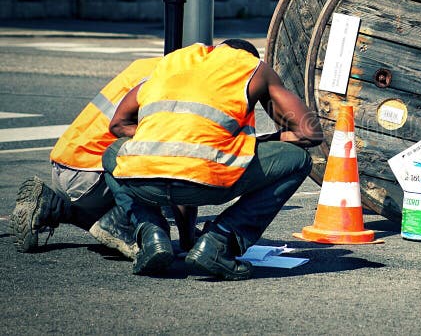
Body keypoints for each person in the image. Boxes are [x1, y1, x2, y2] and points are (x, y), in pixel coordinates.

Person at [103, 39, 323, 280]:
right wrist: (255, 142)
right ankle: (220, 242)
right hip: (207, 181)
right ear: (247, 56)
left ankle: (151, 235)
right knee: (298, 160)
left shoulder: (172, 63)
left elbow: (117, 124)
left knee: (112, 154)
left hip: (144, 180)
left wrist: (162, 137)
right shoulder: (252, 67)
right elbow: (309, 133)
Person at [11, 57, 161, 259]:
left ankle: (51, 204)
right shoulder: (176, 83)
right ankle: (120, 222)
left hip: (68, 163)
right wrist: (186, 239)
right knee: (170, 167)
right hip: (93, 175)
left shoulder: (148, 65)